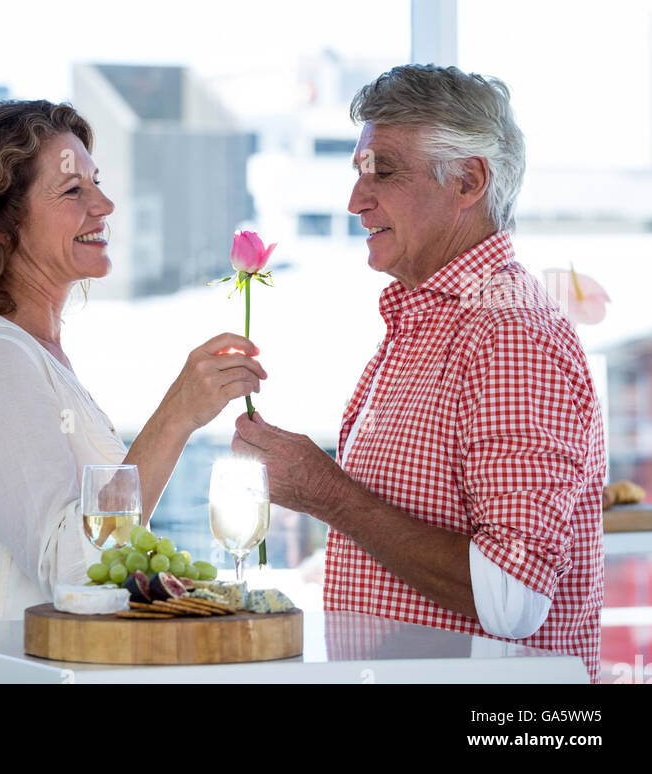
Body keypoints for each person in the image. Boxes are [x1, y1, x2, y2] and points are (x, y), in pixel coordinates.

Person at [233, 64, 606, 683]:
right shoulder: (430, 324)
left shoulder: (509, 335)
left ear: (467, 180)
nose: (356, 200)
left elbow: (510, 600)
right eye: (358, 171)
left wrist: (325, 493)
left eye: (385, 170)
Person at [0, 99, 265, 626]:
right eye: (73, 191)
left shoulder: (32, 354)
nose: (105, 204)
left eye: (97, 182)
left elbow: (97, 552)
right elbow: (73, 567)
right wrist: (177, 415)